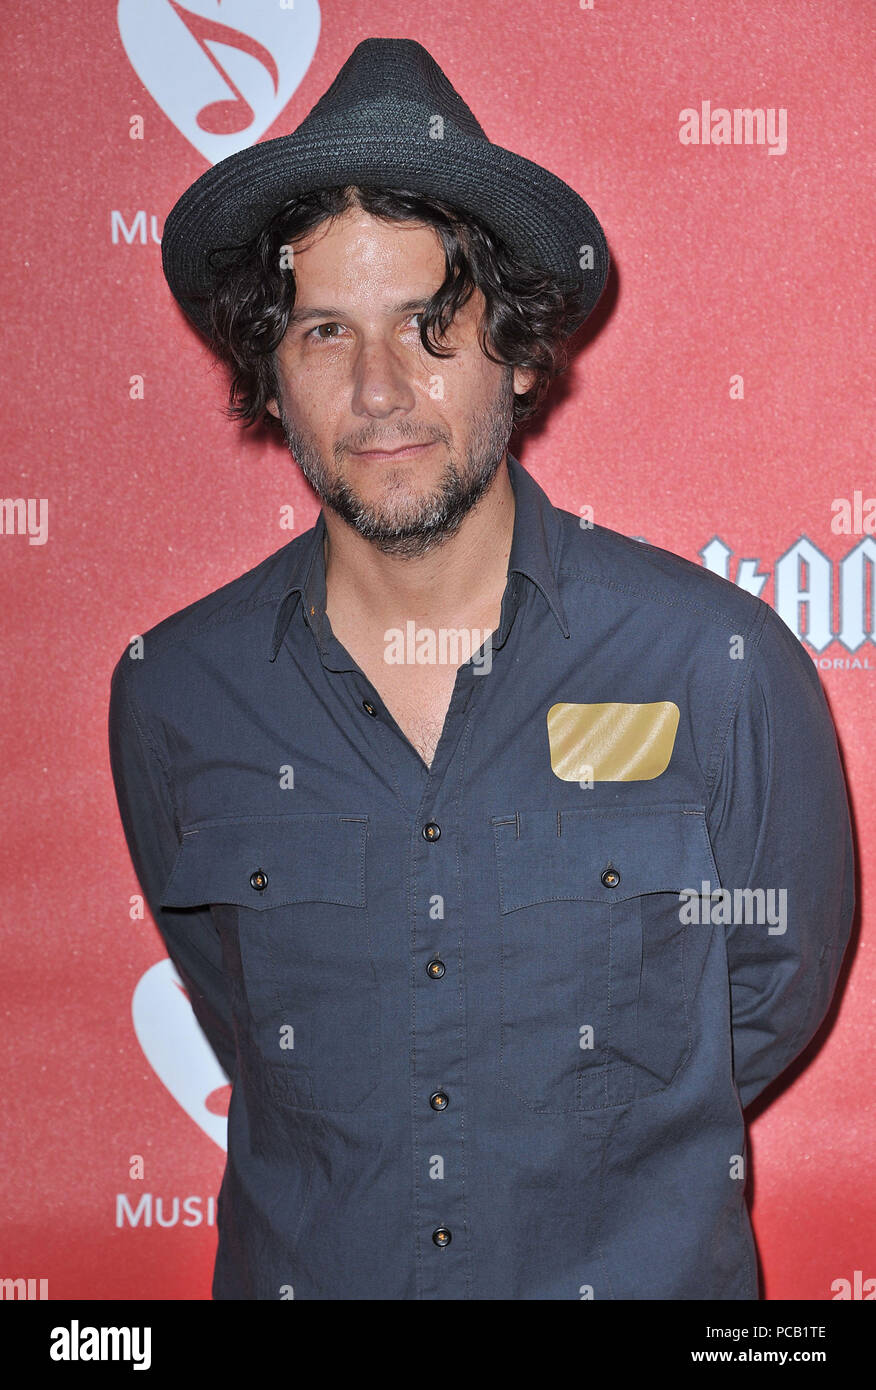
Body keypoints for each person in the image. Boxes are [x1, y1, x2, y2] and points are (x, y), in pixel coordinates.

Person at [108, 37, 854, 1300]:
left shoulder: (718, 668)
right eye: (325, 332)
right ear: (269, 375)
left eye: (430, 325)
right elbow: (236, 1008)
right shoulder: (175, 693)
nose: (379, 390)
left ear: (514, 346)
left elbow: (766, 1001)